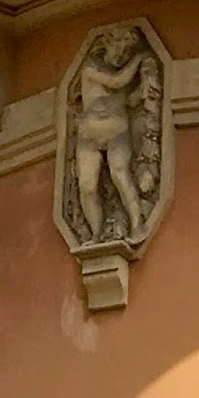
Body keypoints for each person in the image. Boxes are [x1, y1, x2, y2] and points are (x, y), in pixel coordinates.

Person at [75, 28, 149, 241]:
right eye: (118, 48)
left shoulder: (128, 74)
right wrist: (139, 58)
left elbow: (129, 100)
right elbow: (117, 81)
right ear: (106, 45)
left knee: (120, 174)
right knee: (87, 187)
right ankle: (97, 234)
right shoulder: (91, 68)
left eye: (127, 52)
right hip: (89, 137)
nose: (121, 55)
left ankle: (137, 226)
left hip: (117, 134)